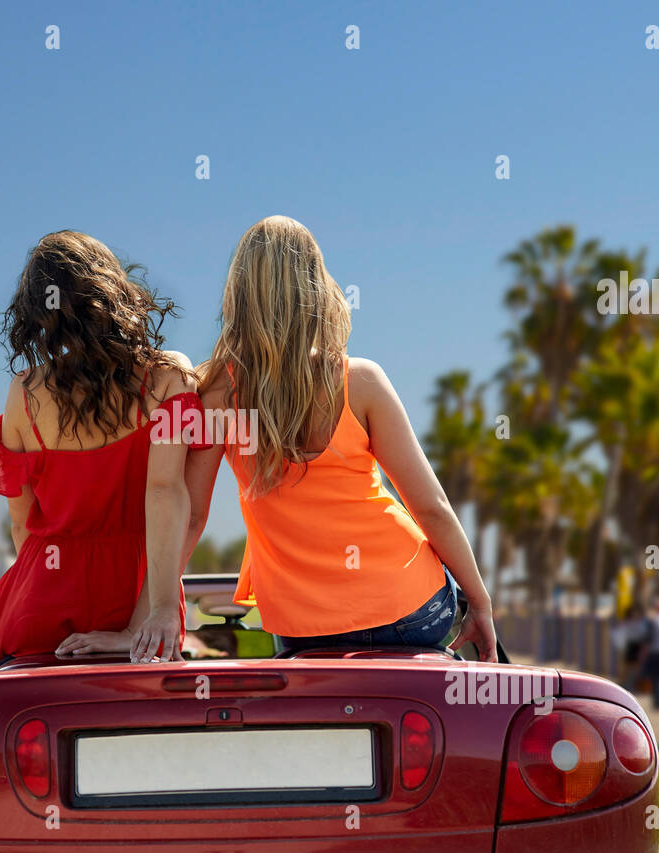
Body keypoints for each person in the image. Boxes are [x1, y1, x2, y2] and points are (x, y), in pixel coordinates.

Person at [181, 215, 496, 662]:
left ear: (239, 295)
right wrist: (479, 601)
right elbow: (431, 508)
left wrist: (152, 613)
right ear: (316, 285)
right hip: (411, 612)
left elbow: (191, 515)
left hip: (303, 628)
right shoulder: (360, 380)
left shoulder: (217, 391)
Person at [0, 231, 206, 666]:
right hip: (135, 596)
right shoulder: (168, 378)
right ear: (113, 290)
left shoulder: (24, 392)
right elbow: (164, 491)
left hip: (38, 600)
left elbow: (22, 527)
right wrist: (152, 615)